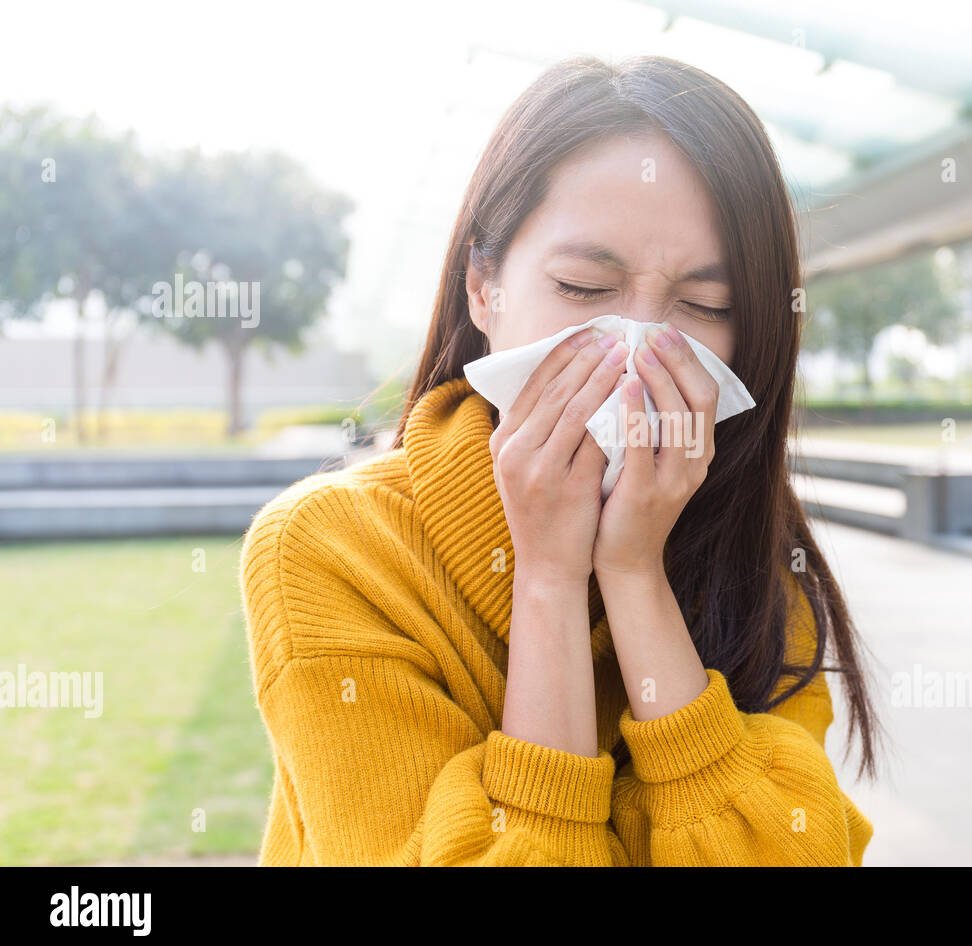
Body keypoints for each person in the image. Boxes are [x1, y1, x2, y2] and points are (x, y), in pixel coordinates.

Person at [240, 54, 883, 866]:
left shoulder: (756, 559)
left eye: (704, 305)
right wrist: (546, 576)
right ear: (484, 288)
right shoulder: (333, 549)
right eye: (583, 287)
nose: (637, 352)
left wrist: (635, 575)